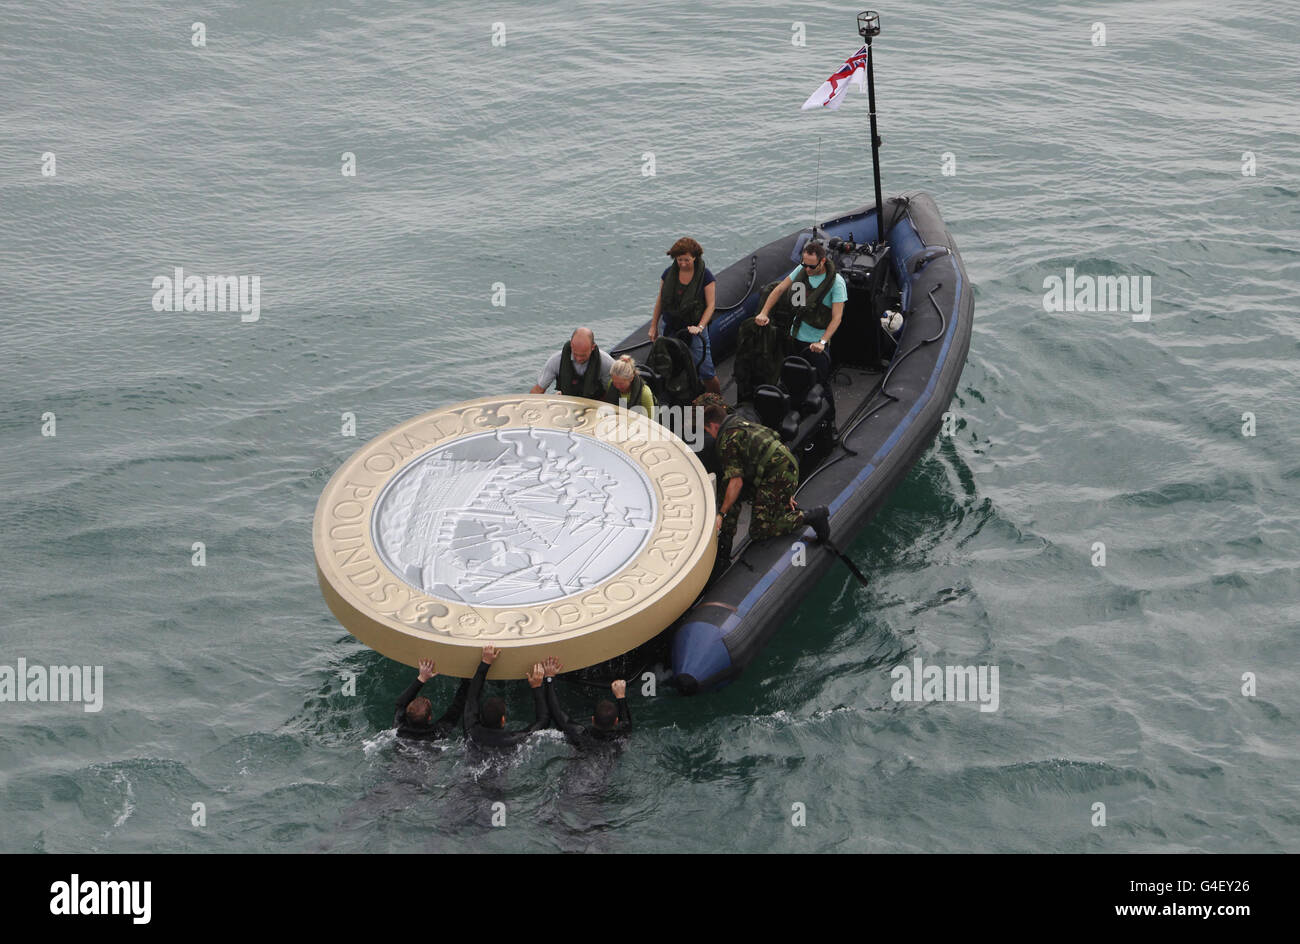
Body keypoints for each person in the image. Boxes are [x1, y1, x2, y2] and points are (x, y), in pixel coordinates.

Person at [702, 404, 830, 556]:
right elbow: (773, 440)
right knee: (726, 487)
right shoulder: (740, 422)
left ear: (713, 426)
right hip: (783, 465)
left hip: (776, 474)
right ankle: (726, 539)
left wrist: (721, 514)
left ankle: (812, 516)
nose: (709, 434)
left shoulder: (726, 440)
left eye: (707, 430)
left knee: (759, 530)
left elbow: (737, 482)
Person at [753, 240, 846, 385]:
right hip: (795, 335)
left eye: (811, 266)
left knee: (820, 384)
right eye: (805, 264)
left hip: (815, 343)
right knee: (792, 378)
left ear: (822, 261)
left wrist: (822, 342)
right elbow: (779, 289)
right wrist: (764, 312)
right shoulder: (801, 270)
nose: (807, 269)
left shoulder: (837, 283)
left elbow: (837, 317)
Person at [650, 237, 722, 396]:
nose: (682, 263)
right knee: (671, 367)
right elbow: (661, 300)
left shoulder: (706, 277)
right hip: (671, 327)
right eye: (679, 259)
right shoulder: (668, 274)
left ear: (695, 257)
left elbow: (711, 305)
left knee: (706, 371)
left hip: (694, 328)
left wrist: (700, 327)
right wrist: (654, 325)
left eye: (686, 260)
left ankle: (718, 404)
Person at [463, 646, 549, 748]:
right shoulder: (514, 739)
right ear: (503, 720)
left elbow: (472, 697)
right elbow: (543, 721)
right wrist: (537, 686)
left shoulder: (471, 732)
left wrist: (485, 663)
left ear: (480, 716)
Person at [540, 657, 631, 746]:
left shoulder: (581, 735)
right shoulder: (621, 735)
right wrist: (620, 696)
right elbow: (626, 721)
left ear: (592, 719)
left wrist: (549, 678)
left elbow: (557, 714)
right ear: (616, 721)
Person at [394, 658, 471, 741]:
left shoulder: (398, 730)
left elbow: (401, 704)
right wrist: (467, 678)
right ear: (429, 717)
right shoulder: (437, 733)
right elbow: (456, 707)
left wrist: (422, 678)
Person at [530, 327, 615, 398]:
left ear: (592, 347)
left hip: (597, 403)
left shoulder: (607, 363)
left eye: (583, 355)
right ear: (571, 345)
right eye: (575, 354)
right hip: (568, 401)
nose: (578, 359)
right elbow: (539, 389)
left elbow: (619, 392)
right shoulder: (556, 361)